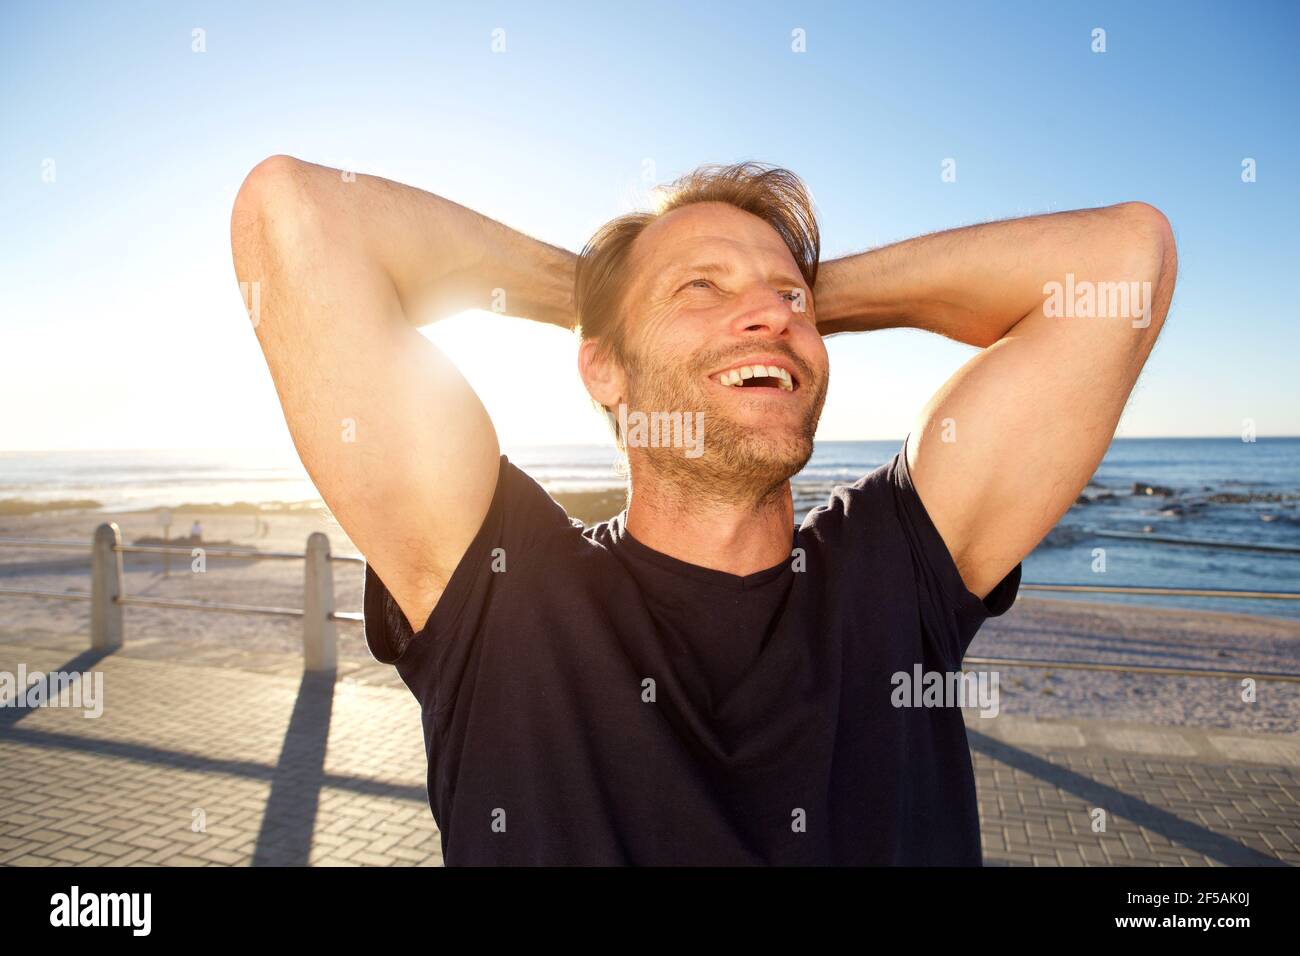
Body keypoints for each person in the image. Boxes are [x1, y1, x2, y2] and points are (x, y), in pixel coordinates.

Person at [230, 157, 1175, 865]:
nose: (774, 315)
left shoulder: (894, 566)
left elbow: (1124, 260)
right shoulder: (502, 590)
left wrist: (791, 297)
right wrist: (596, 295)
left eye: (790, 297)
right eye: (701, 287)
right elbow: (296, 215)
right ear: (603, 367)